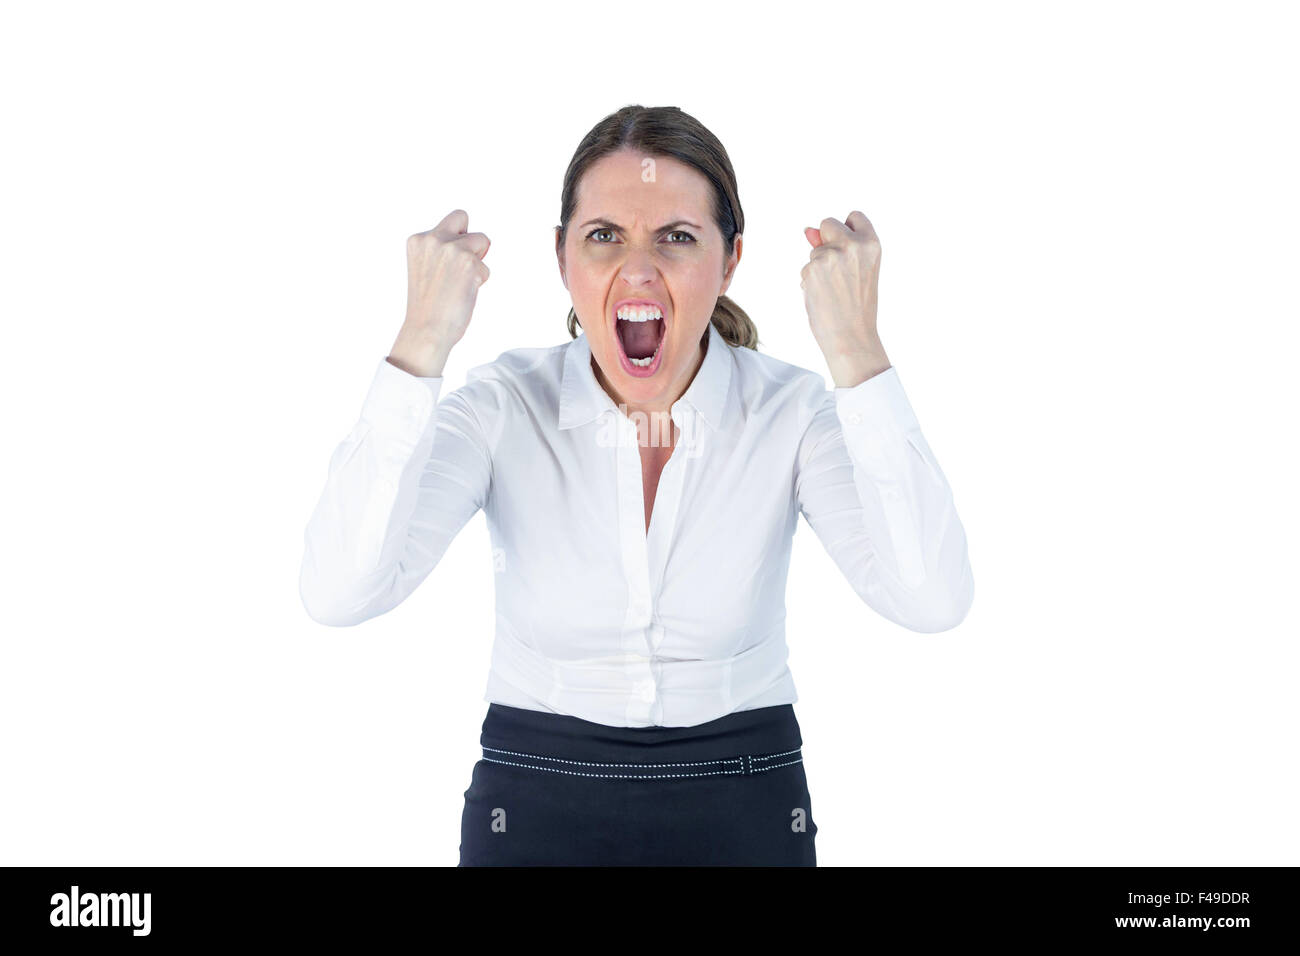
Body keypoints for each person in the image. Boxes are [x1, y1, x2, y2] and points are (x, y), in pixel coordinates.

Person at [299, 104, 975, 866]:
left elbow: (931, 600)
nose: (640, 269)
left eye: (677, 238)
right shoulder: (504, 405)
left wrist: (857, 353)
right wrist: (420, 344)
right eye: (604, 237)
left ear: (731, 261)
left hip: (745, 799)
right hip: (534, 800)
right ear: (562, 258)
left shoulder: (792, 412)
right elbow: (340, 593)